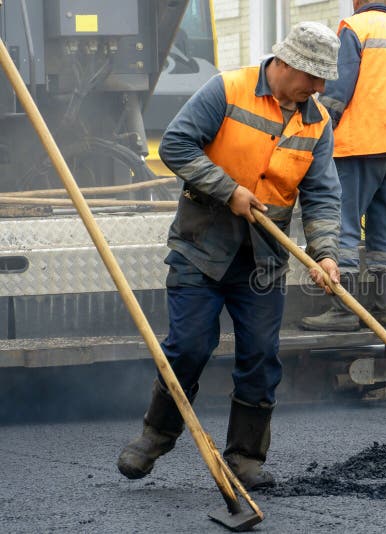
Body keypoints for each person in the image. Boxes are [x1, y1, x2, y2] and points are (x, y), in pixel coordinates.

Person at [117, 21, 343, 490]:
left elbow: (321, 195)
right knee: (189, 347)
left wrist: (324, 254)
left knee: (261, 356)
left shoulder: (317, 122)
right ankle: (155, 436)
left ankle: (245, 459)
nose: (319, 88)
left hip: (263, 260)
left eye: (323, 80)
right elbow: (177, 145)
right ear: (285, 64)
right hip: (202, 246)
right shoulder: (227, 89)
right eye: (313, 77)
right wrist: (228, 190)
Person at [300, 0, 386, 332]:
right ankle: (384, 311)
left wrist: (313, 133)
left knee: (341, 224)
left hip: (361, 143)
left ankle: (343, 310)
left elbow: (335, 93)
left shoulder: (354, 29)